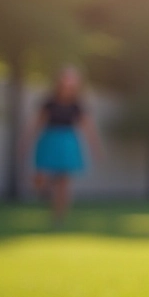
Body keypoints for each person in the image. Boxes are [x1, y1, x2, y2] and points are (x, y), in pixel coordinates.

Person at [29, 66, 101, 226]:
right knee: (42, 177)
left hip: (68, 142)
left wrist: (95, 148)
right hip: (50, 139)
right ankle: (47, 194)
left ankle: (59, 217)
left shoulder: (77, 104)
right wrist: (26, 142)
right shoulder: (49, 102)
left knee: (64, 182)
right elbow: (36, 124)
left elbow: (88, 127)